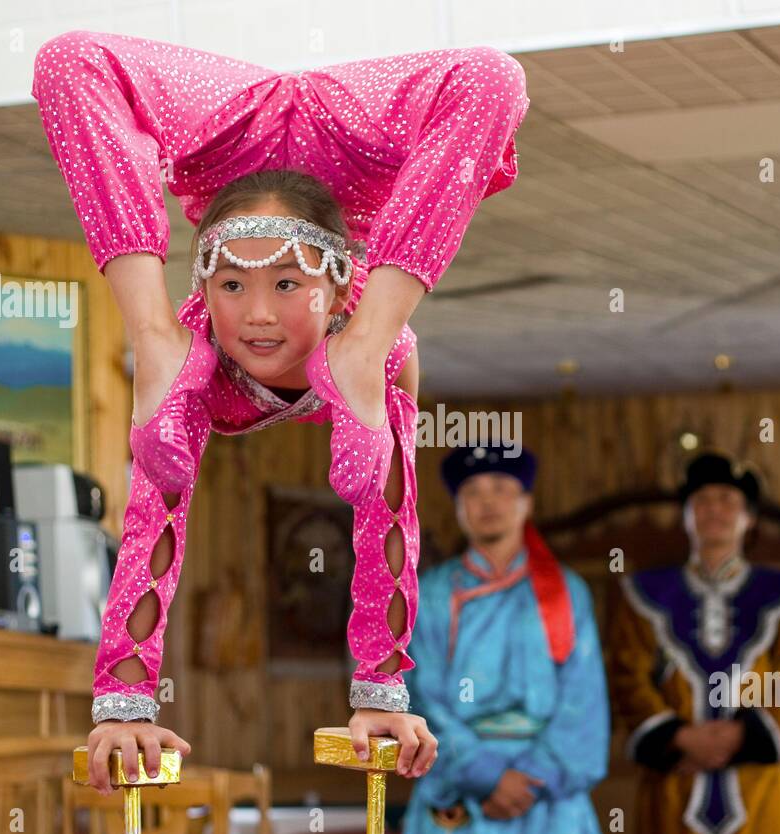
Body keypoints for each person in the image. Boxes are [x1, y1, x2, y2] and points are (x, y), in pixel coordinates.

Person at [30, 32, 530, 793]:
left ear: (338, 286)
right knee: (65, 59)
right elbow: (153, 515)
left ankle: (355, 347)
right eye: (231, 286)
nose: (256, 317)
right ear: (206, 286)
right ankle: (148, 333)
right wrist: (124, 699)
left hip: (353, 154)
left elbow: (387, 515)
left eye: (287, 286)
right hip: (222, 136)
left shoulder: (389, 350)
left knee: (494, 76)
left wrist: (381, 690)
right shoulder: (200, 363)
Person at [606, 451, 780, 834]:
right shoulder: (643, 595)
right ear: (686, 515)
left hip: (757, 788)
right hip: (674, 784)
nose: (715, 510)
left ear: (749, 518)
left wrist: (740, 737)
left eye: (728, 500)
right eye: (702, 500)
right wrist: (679, 737)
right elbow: (626, 675)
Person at [397, 444, 611, 834]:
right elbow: (420, 698)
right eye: (472, 492)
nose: (487, 501)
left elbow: (583, 706)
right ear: (458, 508)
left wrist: (529, 779)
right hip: (460, 787)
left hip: (549, 795)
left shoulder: (566, 593)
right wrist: (486, 776)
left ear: (526, 502)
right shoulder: (431, 595)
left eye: (501, 488)